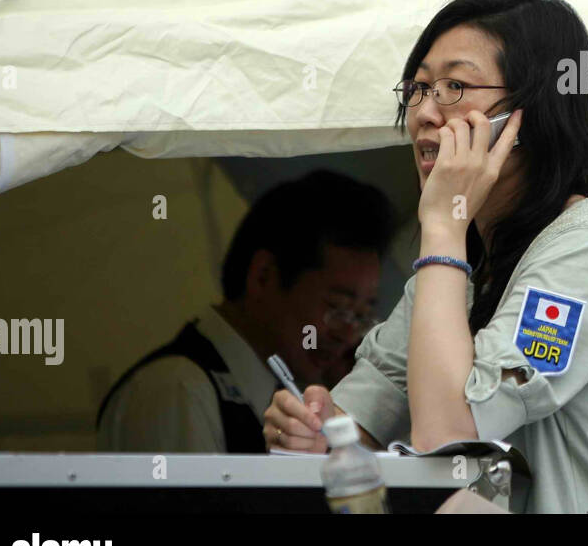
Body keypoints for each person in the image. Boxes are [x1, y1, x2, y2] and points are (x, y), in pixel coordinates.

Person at [264, 0, 588, 513]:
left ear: (526, 114)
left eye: (455, 86)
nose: (424, 111)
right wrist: (318, 433)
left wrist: (444, 224)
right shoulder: (459, 264)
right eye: (418, 88)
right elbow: (365, 426)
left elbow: (446, 437)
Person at [97, 170, 393, 453]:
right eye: (337, 307)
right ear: (263, 276)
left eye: (363, 314)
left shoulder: (293, 391)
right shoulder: (178, 389)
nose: (349, 332)